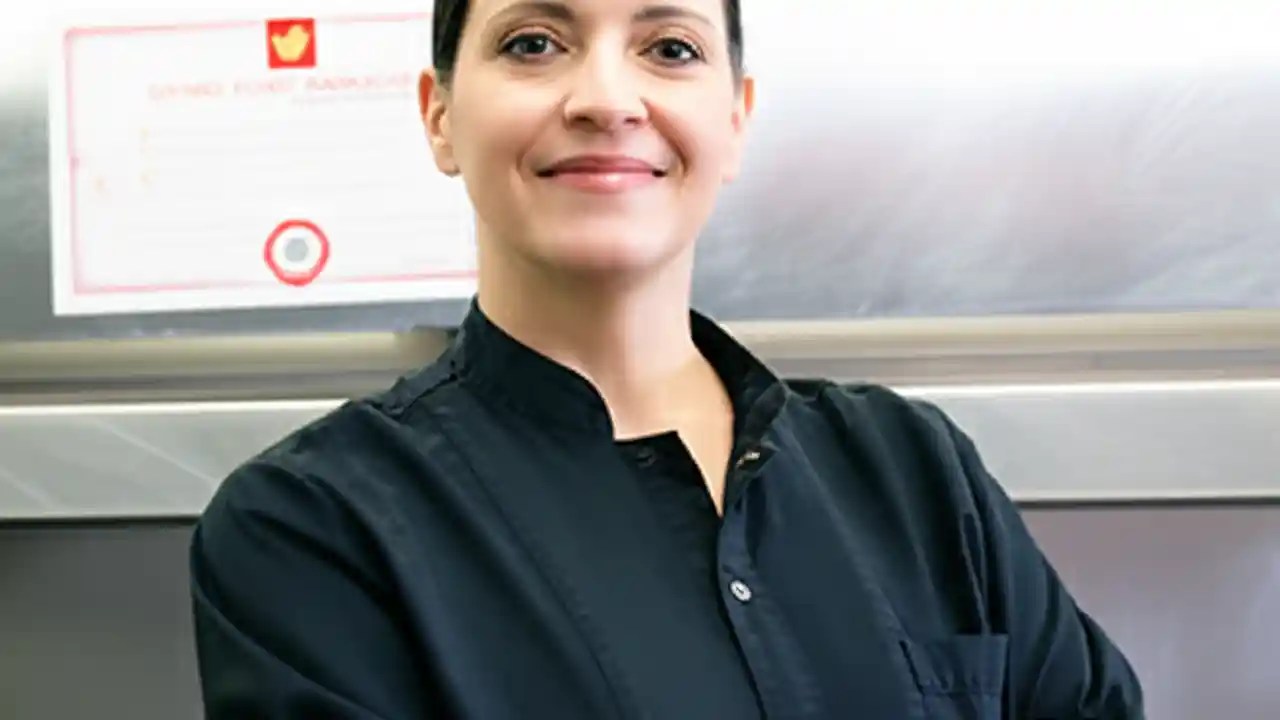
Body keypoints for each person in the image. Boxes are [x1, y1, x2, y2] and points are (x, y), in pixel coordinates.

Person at [189, 0, 1144, 717]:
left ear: (735, 119)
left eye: (670, 48)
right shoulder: (314, 530)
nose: (607, 98)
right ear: (439, 116)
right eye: (533, 42)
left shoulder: (914, 469)